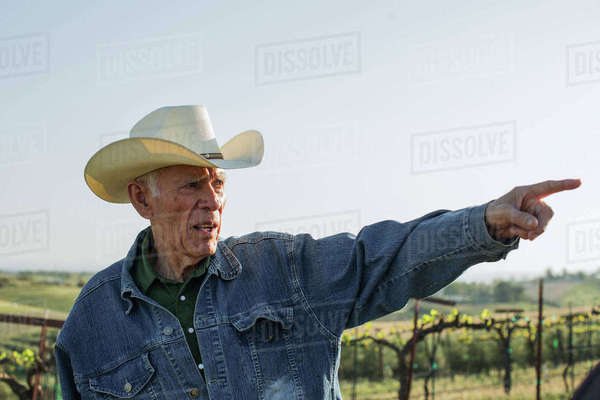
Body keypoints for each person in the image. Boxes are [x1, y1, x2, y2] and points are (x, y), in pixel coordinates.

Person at [55, 105, 581, 399]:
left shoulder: (284, 269)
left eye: (218, 183)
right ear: (142, 199)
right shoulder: (91, 323)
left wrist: (483, 223)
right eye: (192, 185)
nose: (212, 200)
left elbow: (384, 256)